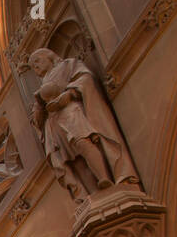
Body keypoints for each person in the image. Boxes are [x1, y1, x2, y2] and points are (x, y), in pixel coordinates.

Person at [28, 48, 138, 203]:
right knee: (72, 159)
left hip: (71, 111)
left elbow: (85, 78)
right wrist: (39, 104)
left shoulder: (68, 65)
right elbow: (36, 118)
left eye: (37, 61)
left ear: (49, 56)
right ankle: (93, 193)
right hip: (54, 123)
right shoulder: (42, 86)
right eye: (33, 66)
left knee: (82, 141)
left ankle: (105, 178)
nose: (36, 67)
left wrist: (69, 95)